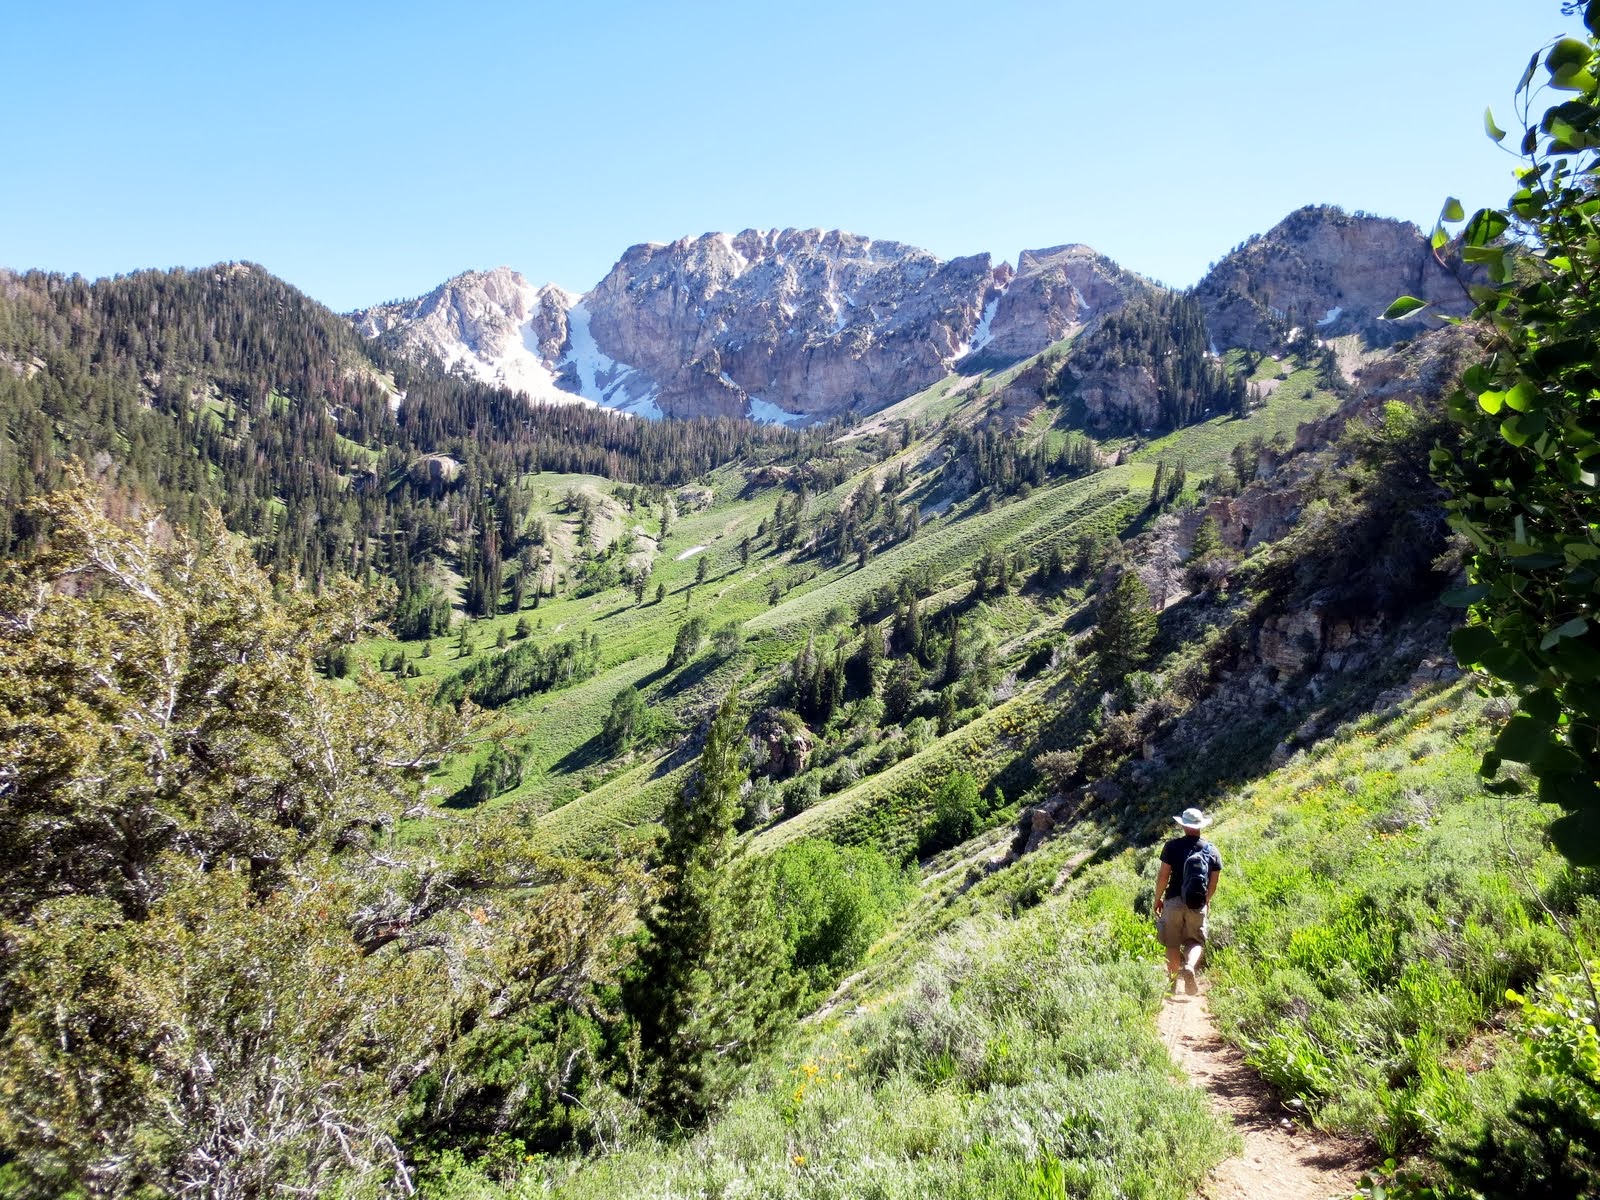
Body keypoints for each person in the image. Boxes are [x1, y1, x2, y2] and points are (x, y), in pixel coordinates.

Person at [1153, 806, 1222, 995]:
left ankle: (1173, 983)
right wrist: (1206, 900)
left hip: (1173, 901)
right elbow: (1214, 882)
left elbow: (1163, 876)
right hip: (1197, 903)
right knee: (1195, 941)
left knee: (1172, 943)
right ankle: (1190, 966)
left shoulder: (1172, 846)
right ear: (1200, 826)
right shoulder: (1211, 850)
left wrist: (1157, 898)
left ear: (1183, 826)